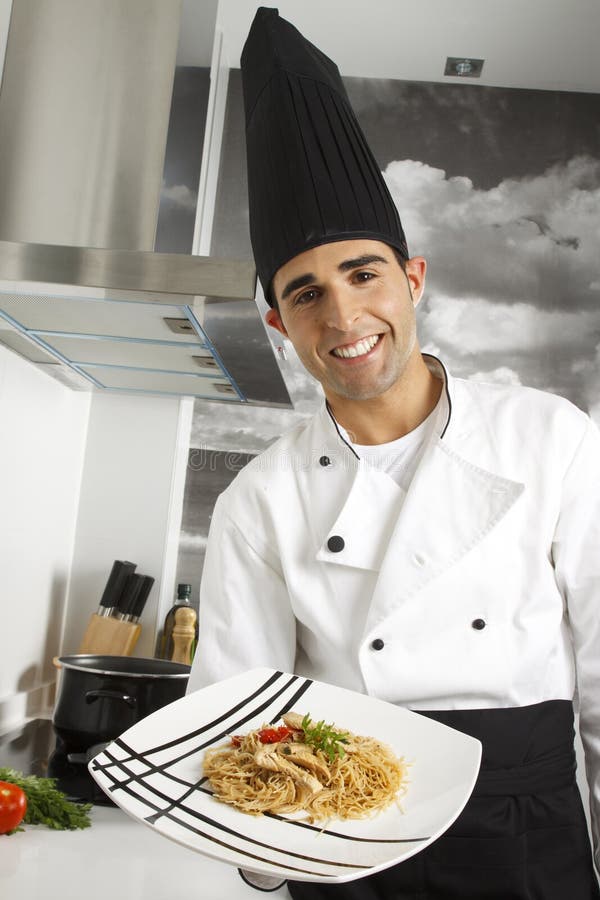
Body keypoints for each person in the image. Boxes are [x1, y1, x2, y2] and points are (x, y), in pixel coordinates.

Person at [187, 8, 600, 898]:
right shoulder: (259, 501)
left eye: (363, 274)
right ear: (279, 320)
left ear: (412, 280)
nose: (342, 318)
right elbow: (236, 705)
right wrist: (268, 858)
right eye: (306, 294)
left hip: (524, 829)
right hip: (342, 839)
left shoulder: (551, 437)